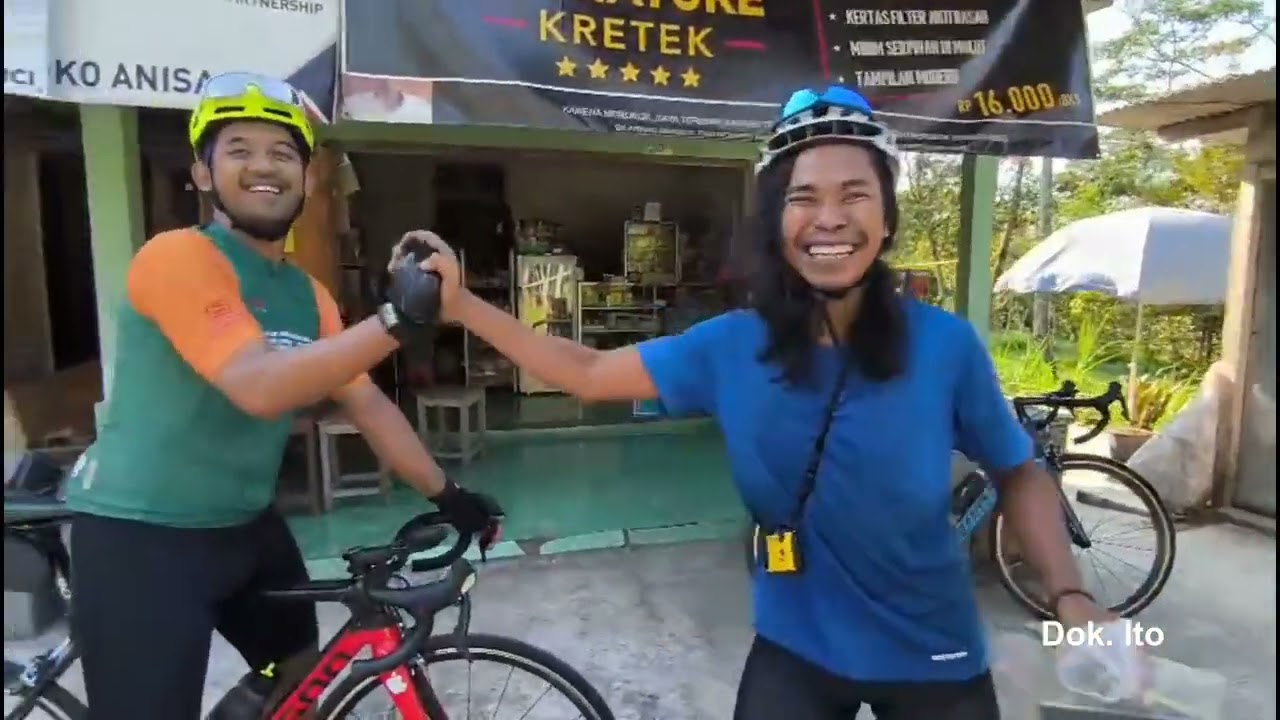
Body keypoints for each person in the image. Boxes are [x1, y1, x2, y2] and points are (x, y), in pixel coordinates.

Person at [406, 85, 1121, 719]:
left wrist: (1070, 597)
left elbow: (1018, 468)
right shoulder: (729, 347)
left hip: (933, 653)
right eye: (803, 198)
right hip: (796, 649)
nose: (829, 218)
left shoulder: (946, 346)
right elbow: (587, 370)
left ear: (889, 217)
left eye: (855, 194)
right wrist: (463, 302)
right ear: (776, 222)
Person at [63, 72, 501, 720]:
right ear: (203, 175)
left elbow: (369, 404)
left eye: (283, 153)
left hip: (245, 530)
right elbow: (258, 386)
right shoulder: (178, 257)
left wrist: (450, 495)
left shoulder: (306, 294)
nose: (264, 166)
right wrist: (392, 323)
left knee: (295, 672)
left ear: (307, 177)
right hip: (143, 539)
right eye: (239, 149)